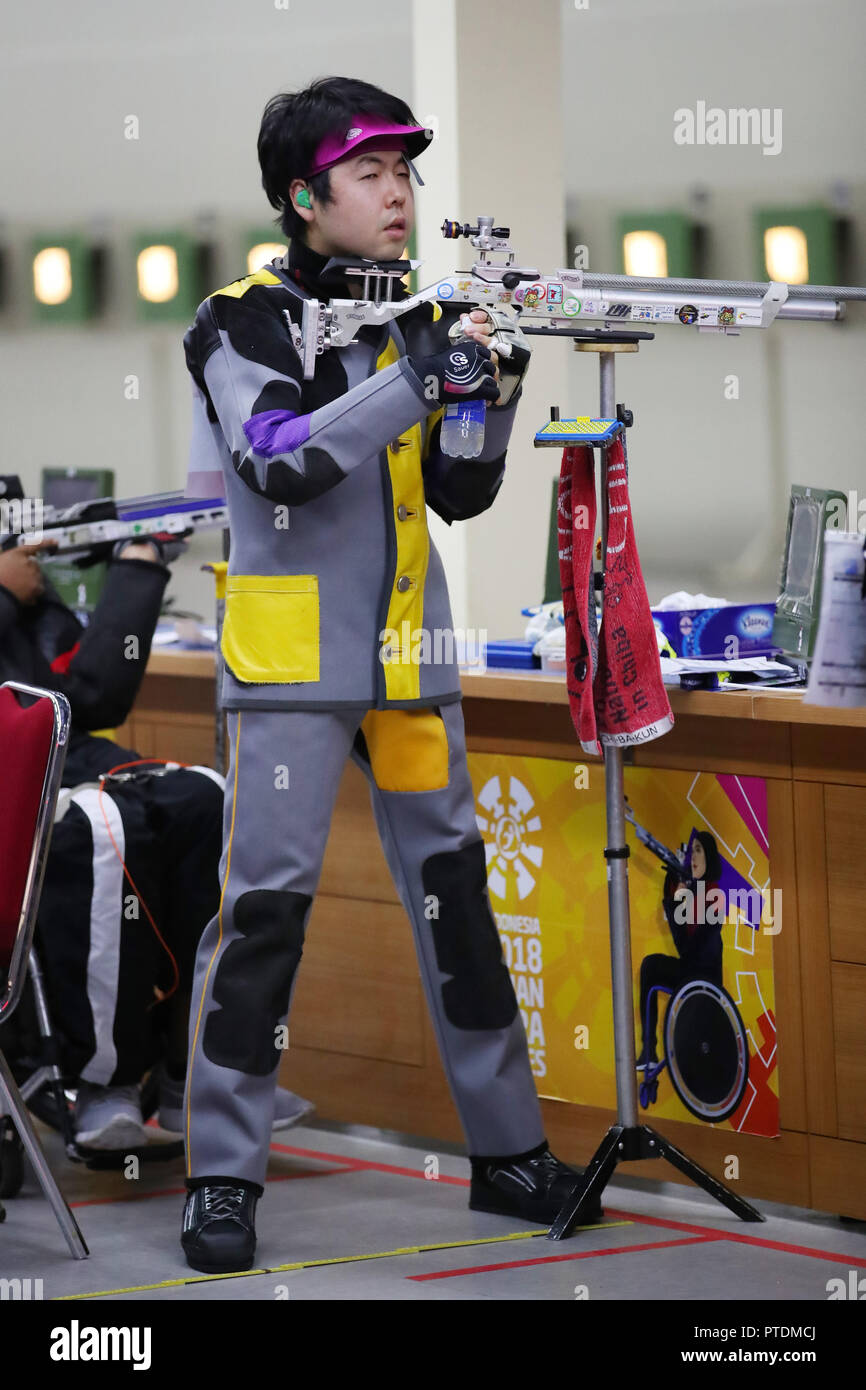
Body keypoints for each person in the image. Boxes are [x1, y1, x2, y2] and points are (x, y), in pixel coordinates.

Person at [179, 74, 601, 1275]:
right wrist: (419, 368)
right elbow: (280, 462)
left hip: (412, 658)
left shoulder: (411, 317)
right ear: (302, 198)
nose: (397, 194)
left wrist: (495, 384)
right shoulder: (237, 319)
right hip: (292, 664)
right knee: (262, 918)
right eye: (369, 172)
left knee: (457, 911)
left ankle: (509, 1153)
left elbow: (459, 489)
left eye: (405, 173)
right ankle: (221, 1173)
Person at [0, 535, 312, 1147]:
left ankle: (201, 1071)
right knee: (98, 828)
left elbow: (91, 697)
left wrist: (136, 569)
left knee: (204, 797)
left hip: (61, 752)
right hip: (14, 771)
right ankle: (102, 1081)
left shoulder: (30, 606)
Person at [636, 830, 725, 1070]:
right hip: (691, 974)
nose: (693, 857)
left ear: (710, 857)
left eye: (699, 850)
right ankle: (648, 1051)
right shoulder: (696, 890)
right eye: (691, 851)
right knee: (650, 965)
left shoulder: (713, 895)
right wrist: (675, 888)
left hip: (704, 981)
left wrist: (677, 900)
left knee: (652, 966)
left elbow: (687, 948)